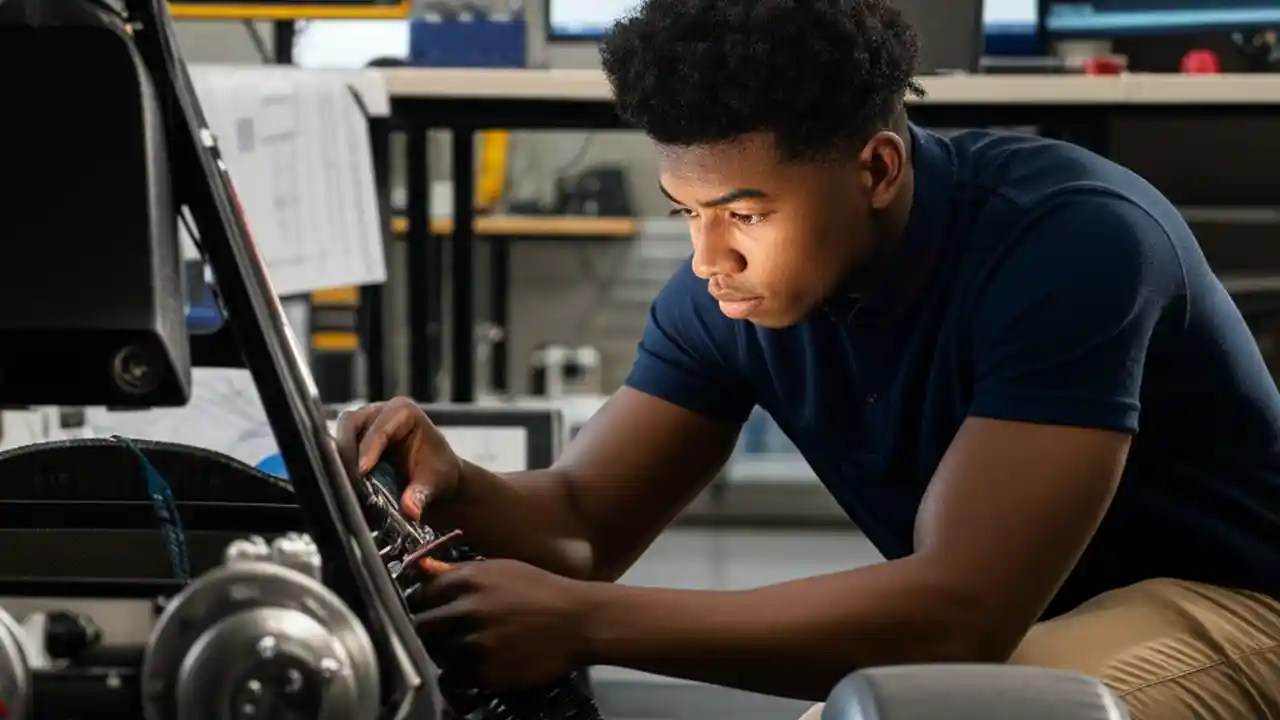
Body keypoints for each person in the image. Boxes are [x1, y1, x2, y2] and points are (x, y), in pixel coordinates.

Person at [337, 1, 1280, 717]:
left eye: (745, 214)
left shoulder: (1076, 243)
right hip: (1029, 618)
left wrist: (585, 623)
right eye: (687, 213)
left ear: (875, 169)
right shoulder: (724, 300)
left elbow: (960, 612)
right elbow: (583, 524)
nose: (709, 258)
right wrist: (455, 484)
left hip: (1236, 605)